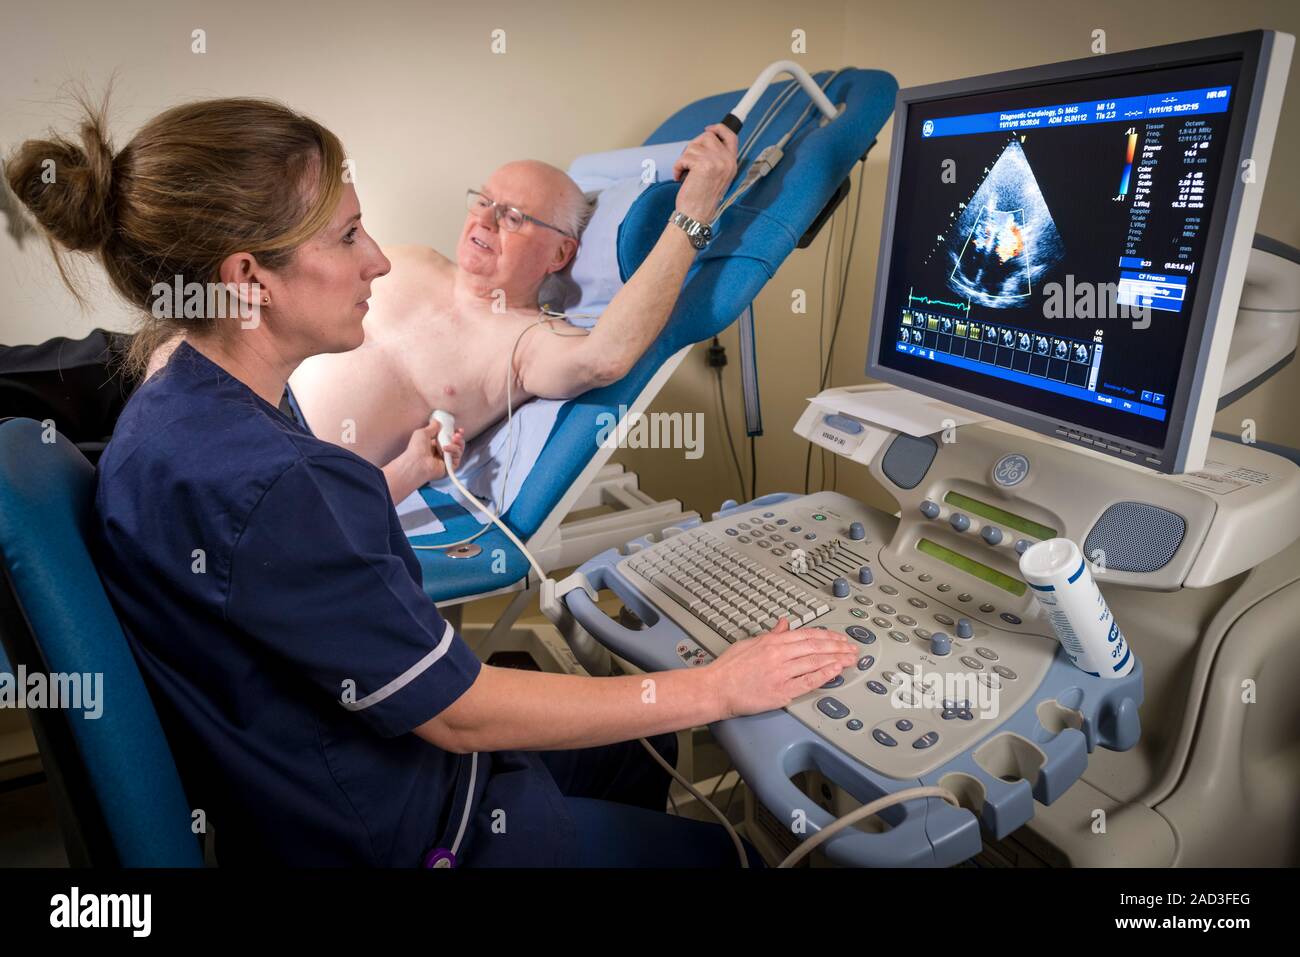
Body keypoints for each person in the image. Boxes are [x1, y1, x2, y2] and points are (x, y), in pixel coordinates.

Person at [6, 95, 858, 866]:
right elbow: (458, 711)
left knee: (634, 758)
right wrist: (717, 685)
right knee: (720, 857)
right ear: (246, 278)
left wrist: (694, 213)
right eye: (346, 236)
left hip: (300, 768)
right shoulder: (278, 476)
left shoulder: (179, 377)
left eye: (517, 216)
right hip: (396, 825)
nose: (377, 259)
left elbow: (273, 560)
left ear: (561, 252)